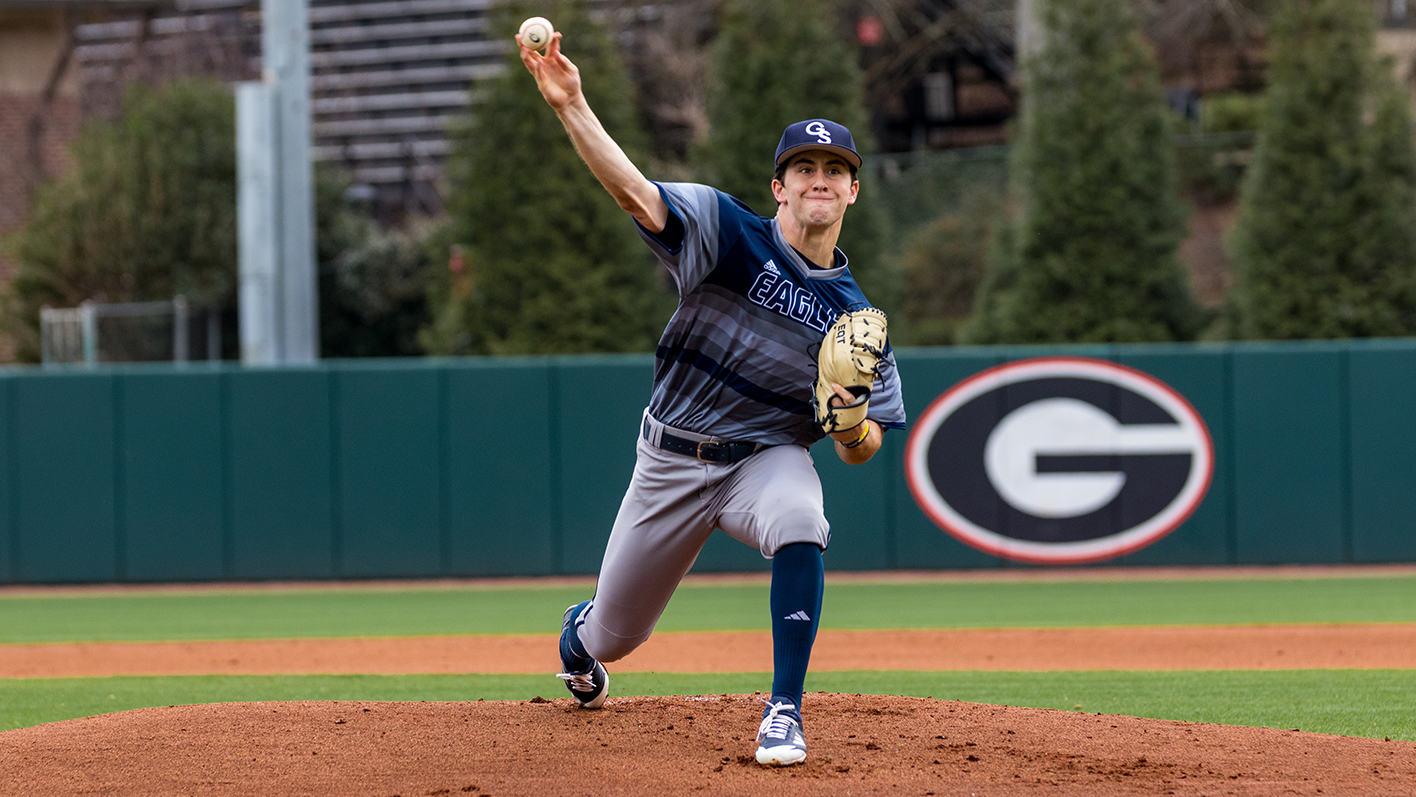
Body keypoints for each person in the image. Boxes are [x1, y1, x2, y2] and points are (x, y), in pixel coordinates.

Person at [518, 29, 906, 767]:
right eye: (803, 167)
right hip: (670, 457)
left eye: (834, 169)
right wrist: (573, 106)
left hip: (764, 457)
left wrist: (852, 426)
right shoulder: (727, 232)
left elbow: (865, 448)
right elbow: (633, 190)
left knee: (802, 515)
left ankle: (784, 710)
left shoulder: (860, 323)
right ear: (779, 186)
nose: (818, 178)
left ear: (853, 188)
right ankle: (581, 634)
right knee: (616, 637)